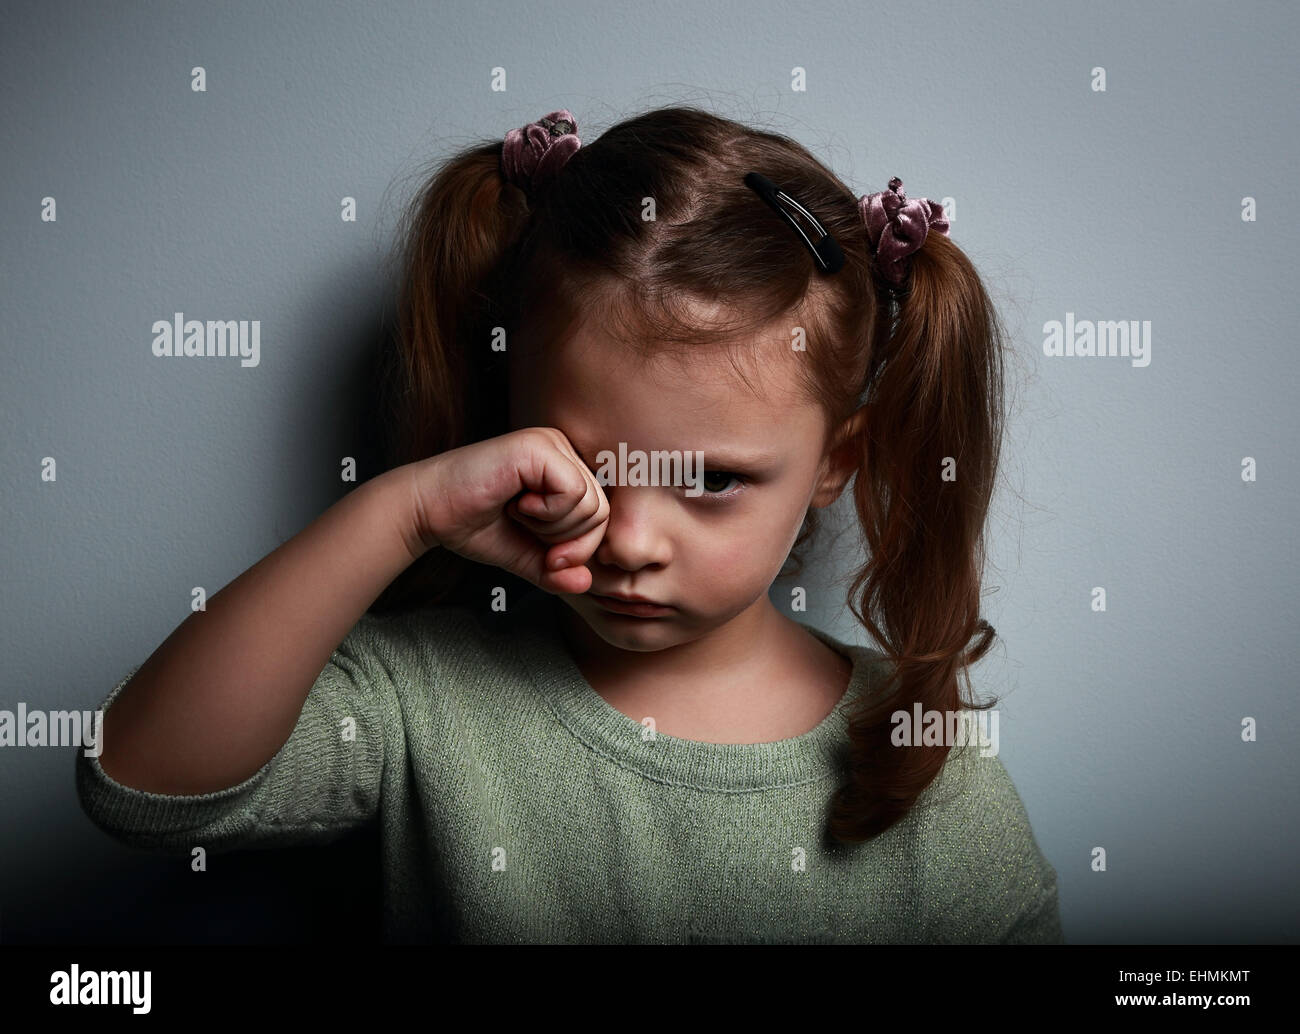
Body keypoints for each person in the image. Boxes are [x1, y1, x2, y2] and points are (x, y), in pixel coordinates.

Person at [75, 105, 1063, 945]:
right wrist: (402, 510)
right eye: (584, 461)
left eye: (711, 477)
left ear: (834, 462)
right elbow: (140, 781)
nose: (630, 539)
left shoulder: (922, 754)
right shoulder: (424, 697)